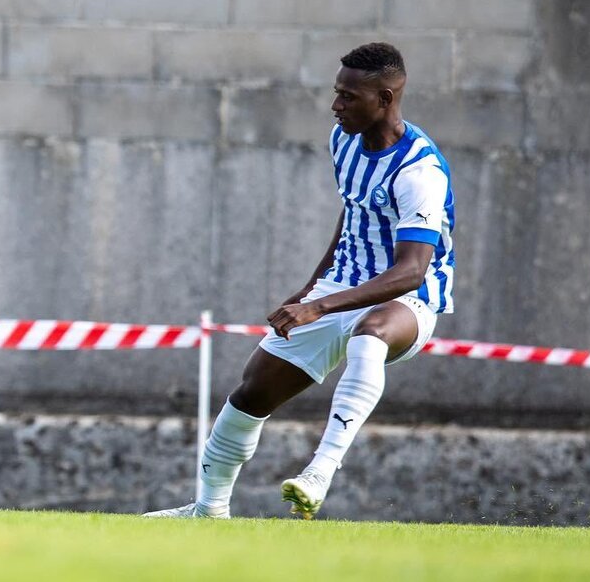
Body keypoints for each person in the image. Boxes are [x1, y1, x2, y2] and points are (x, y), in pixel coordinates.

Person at [146, 42, 454, 520]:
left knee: (370, 335)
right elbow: (354, 210)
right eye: (337, 93)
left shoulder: (419, 172)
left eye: (348, 97)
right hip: (340, 286)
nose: (336, 106)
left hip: (409, 297)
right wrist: (314, 287)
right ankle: (208, 510)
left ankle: (319, 473)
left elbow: (410, 270)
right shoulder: (344, 141)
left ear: (386, 99)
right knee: (252, 393)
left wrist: (319, 307)